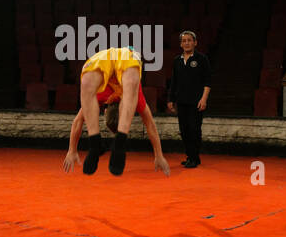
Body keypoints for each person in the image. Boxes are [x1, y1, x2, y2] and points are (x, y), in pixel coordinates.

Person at [63, 46, 166, 176]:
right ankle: (116, 141)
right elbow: (150, 124)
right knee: (127, 81)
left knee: (93, 83)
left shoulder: (102, 95)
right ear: (105, 112)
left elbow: (78, 121)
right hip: (121, 58)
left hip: (110, 58)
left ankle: (98, 144)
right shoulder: (103, 96)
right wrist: (158, 155)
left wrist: (72, 150)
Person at [167, 30, 212, 168]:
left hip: (196, 102)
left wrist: (204, 99)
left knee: (194, 129)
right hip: (181, 101)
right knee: (184, 130)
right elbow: (174, 82)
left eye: (189, 40)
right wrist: (171, 99)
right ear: (181, 44)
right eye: (184, 41)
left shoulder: (202, 59)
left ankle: (194, 157)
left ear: (195, 42)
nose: (187, 43)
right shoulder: (177, 61)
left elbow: (208, 81)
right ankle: (190, 156)